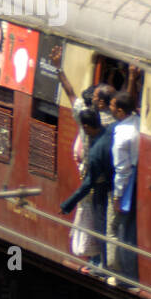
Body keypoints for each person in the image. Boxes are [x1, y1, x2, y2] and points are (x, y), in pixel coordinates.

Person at [61, 109, 112, 274]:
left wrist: (68, 204)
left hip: (101, 190)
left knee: (100, 228)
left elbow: (88, 183)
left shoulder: (96, 151)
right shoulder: (107, 133)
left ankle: (101, 265)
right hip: (109, 187)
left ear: (86, 126)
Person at [107, 91, 141, 287]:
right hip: (137, 176)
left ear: (120, 111)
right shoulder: (136, 121)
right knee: (130, 229)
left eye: (112, 105)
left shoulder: (121, 135)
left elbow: (122, 169)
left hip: (128, 183)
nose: (109, 108)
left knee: (123, 229)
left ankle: (127, 277)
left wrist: (118, 196)